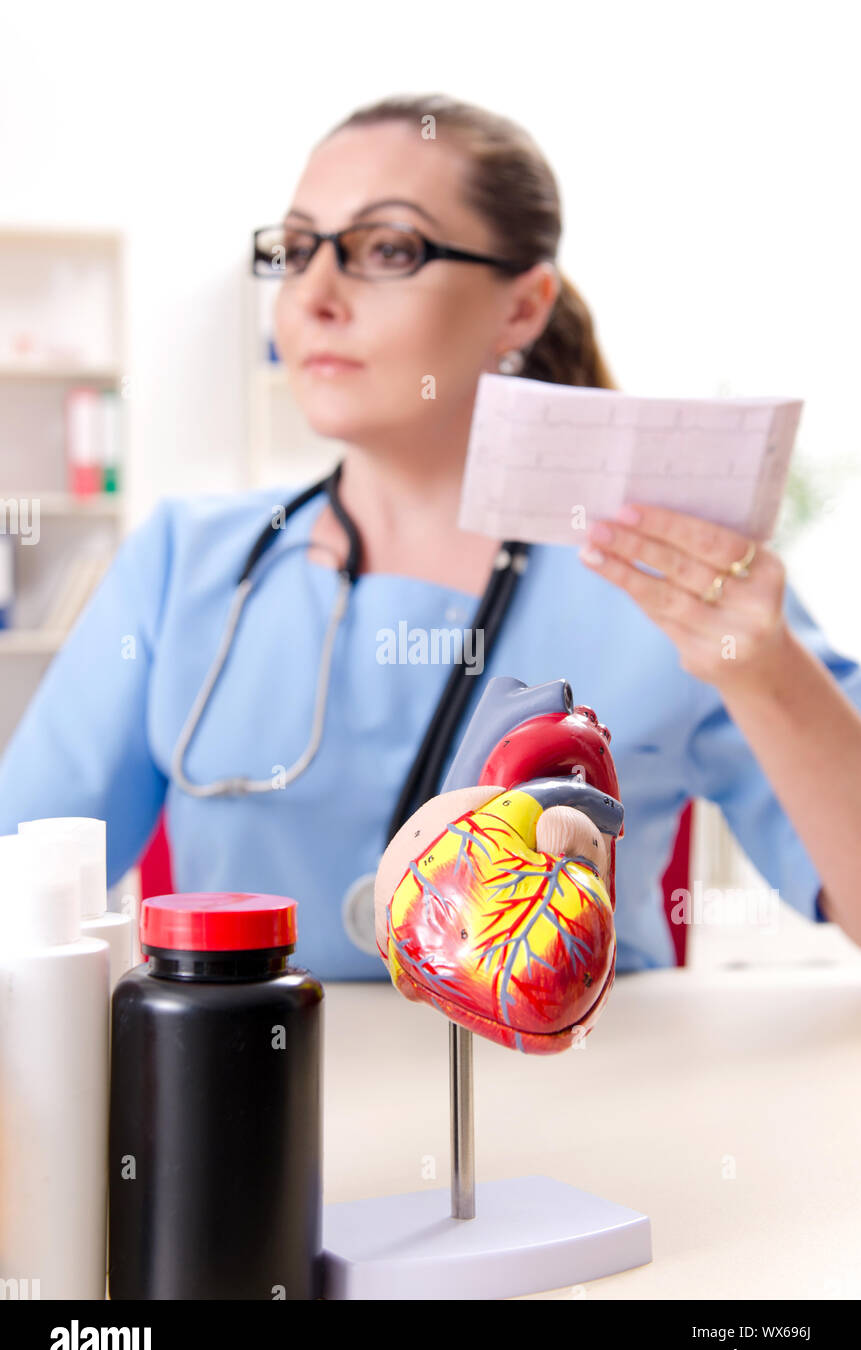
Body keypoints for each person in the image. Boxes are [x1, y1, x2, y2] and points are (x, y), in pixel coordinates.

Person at [2, 92, 861, 980]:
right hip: (258, 1100)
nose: (315, 297)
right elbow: (18, 892)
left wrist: (766, 674)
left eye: (387, 249)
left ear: (522, 307)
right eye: (296, 251)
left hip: (588, 1099)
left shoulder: (671, 578)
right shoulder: (184, 563)